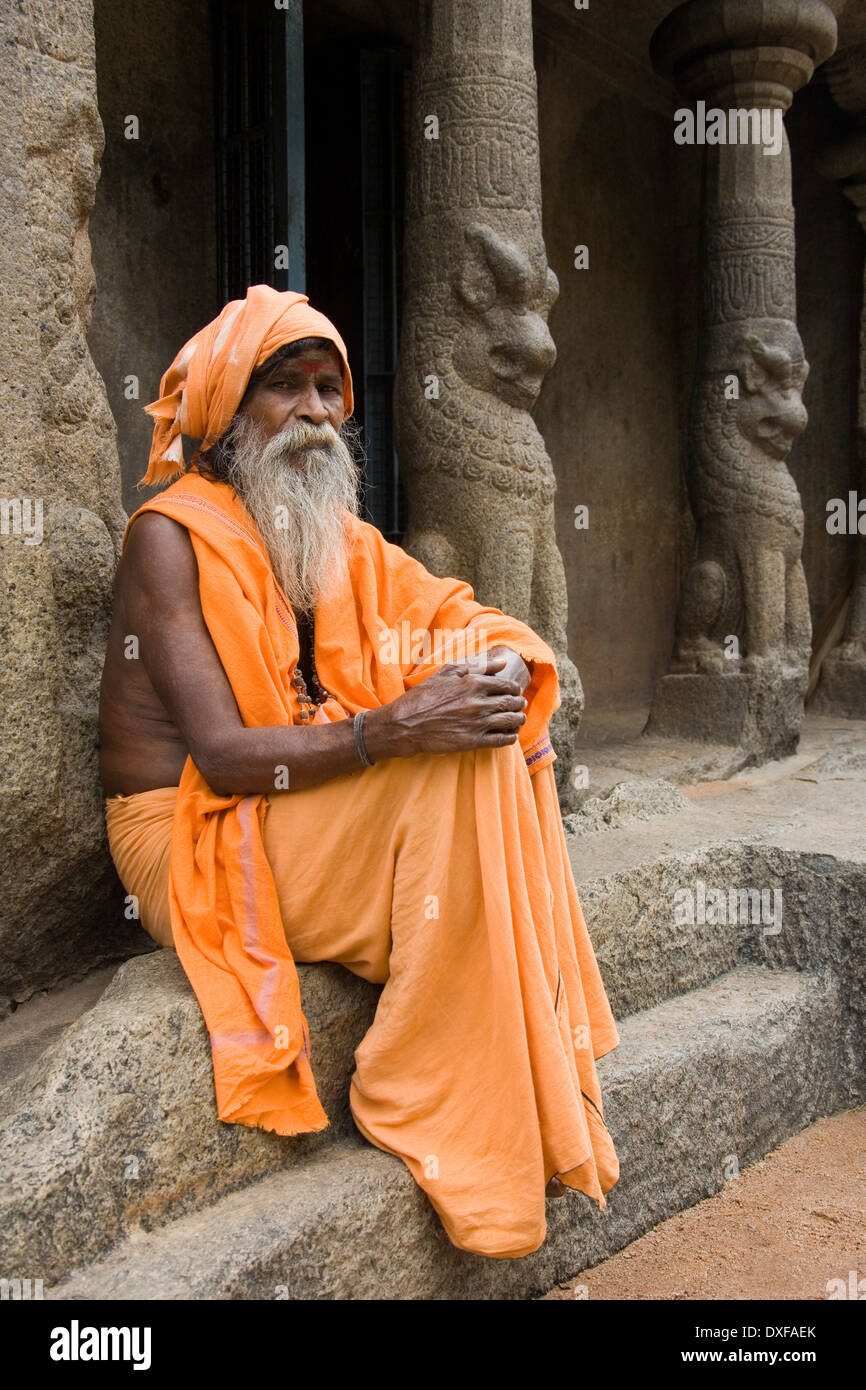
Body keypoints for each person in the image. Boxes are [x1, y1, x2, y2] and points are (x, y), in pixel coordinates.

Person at [98, 284, 620, 1259]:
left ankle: (495, 1087)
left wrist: (507, 662)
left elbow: (446, 609)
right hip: (192, 832)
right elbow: (222, 756)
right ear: (222, 415)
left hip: (289, 803)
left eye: (328, 389)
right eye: (283, 388)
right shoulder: (169, 537)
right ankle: (422, 1084)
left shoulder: (327, 534)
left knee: (482, 736)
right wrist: (389, 728)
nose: (312, 410)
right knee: (447, 755)